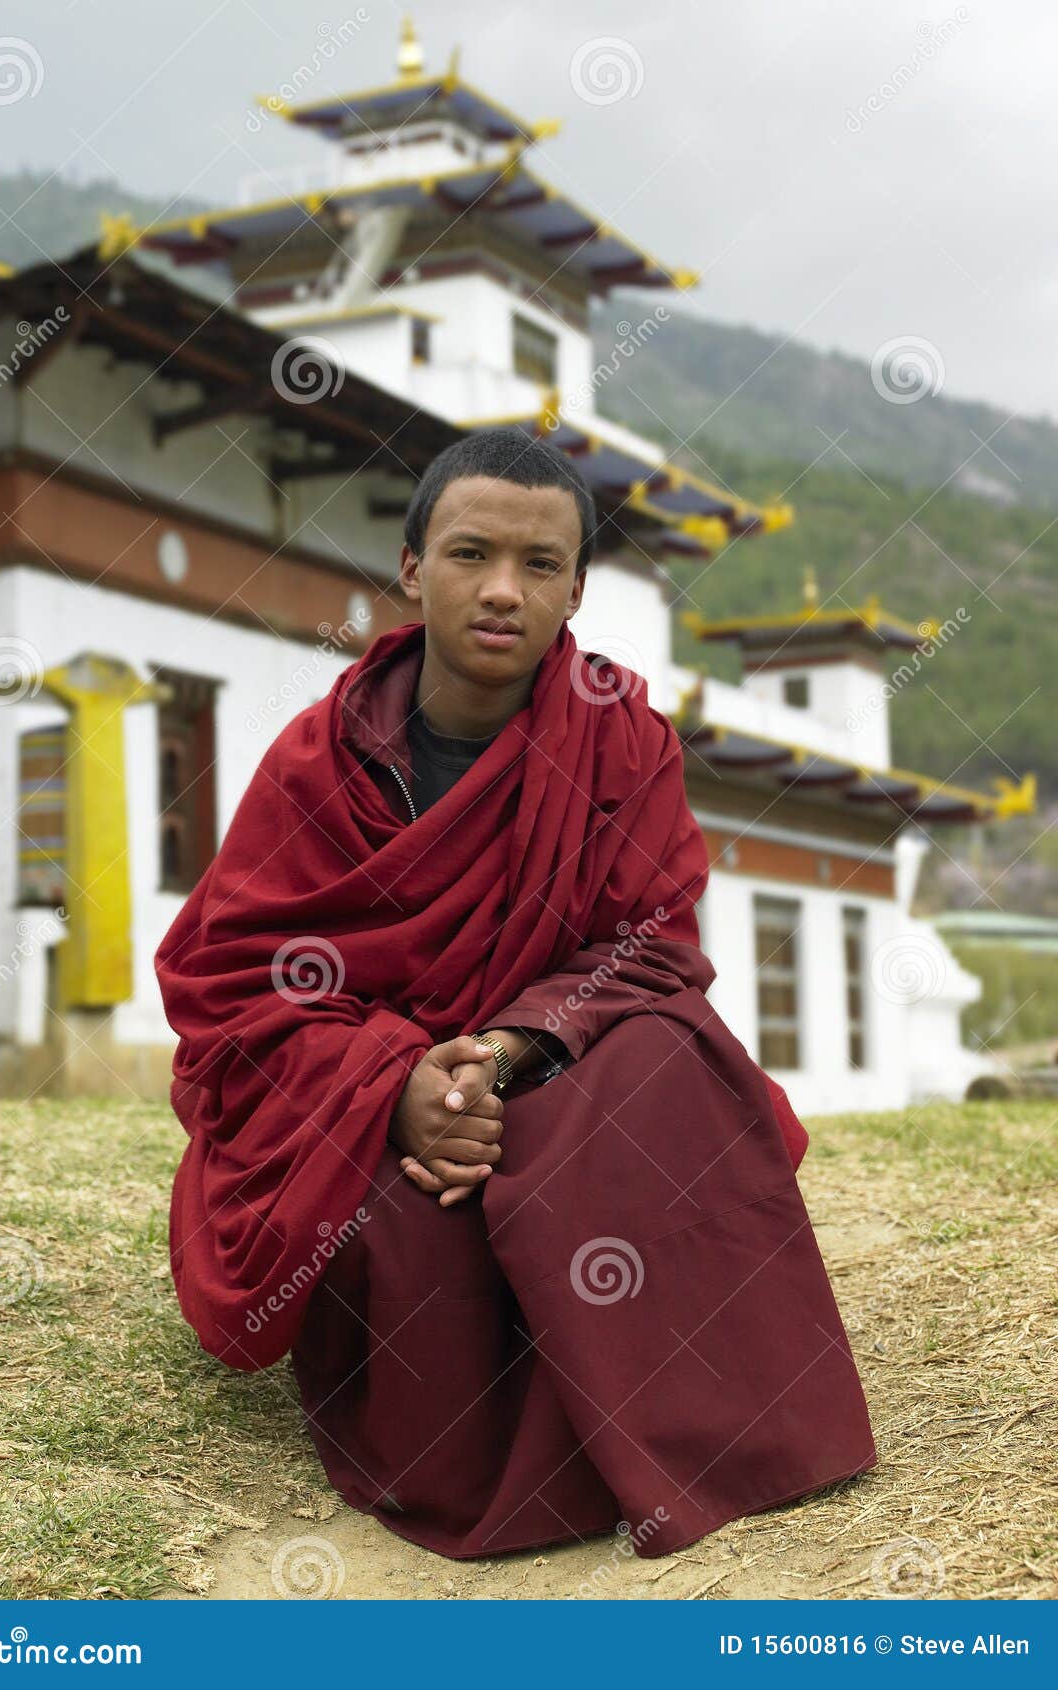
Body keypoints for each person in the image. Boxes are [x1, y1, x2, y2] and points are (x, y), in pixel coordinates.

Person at [153, 426, 877, 1563]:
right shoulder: (318, 761)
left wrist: (493, 1057)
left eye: (541, 564)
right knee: (408, 1226)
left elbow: (648, 948)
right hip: (369, 1100)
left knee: (670, 1056)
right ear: (411, 569)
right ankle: (517, 1467)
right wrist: (394, 1087)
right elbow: (234, 983)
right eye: (470, 554)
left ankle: (722, 1429)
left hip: (540, 1071)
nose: (503, 590)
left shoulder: (619, 738)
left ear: (576, 589)